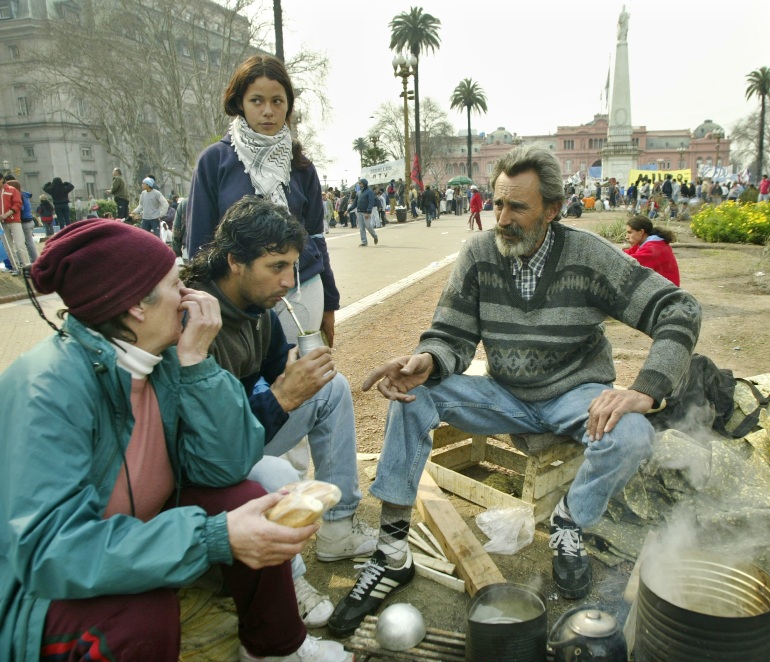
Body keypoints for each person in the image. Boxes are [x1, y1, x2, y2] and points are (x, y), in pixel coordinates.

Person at [328, 144, 701, 637]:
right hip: (503, 395)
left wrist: (647, 390)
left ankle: (570, 523)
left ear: (552, 210)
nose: (501, 219)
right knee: (412, 395)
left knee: (632, 433)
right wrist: (429, 359)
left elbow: (679, 309)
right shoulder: (480, 253)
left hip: (574, 396)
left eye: (517, 207)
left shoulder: (590, 256)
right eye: (497, 203)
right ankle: (393, 551)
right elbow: (452, 333)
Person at [0, 219, 350, 662]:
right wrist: (212, 538)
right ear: (135, 307)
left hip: (142, 526)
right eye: (174, 285)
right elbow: (49, 552)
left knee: (251, 498)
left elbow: (227, 465)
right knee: (145, 617)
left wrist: (197, 363)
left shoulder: (164, 358)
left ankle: (276, 647)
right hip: (41, 588)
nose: (189, 295)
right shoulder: (47, 388)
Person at [183, 196, 376, 629]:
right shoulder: (197, 322)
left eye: (292, 266)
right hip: (203, 462)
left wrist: (296, 376)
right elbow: (210, 445)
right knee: (275, 475)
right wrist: (283, 397)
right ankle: (289, 582)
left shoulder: (259, 310)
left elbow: (274, 374)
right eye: (276, 267)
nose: (289, 281)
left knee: (331, 388)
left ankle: (338, 529)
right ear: (235, 261)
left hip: (240, 435)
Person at [187, 54, 340, 350]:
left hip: (302, 289)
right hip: (239, 302)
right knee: (250, 377)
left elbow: (316, 238)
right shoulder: (214, 161)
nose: (268, 111)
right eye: (257, 100)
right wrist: (204, 305)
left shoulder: (301, 166)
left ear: (288, 106)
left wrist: (330, 303)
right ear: (240, 103)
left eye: (277, 101)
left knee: (303, 372)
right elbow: (199, 245)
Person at [623, 216, 680, 286]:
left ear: (641, 232)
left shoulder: (653, 248)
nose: (626, 237)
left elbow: (628, 263)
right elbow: (626, 253)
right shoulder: (645, 244)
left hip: (666, 291)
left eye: (630, 232)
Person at [0, 172, 31, 271]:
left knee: (20, 244)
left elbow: (17, 204)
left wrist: (6, 214)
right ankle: (15, 267)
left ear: (2, 179)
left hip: (14, 221)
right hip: (2, 224)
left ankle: (26, 265)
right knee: (8, 247)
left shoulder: (12, 190)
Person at [5, 179, 37, 262]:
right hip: (29, 220)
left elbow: (20, 209)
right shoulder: (24, 195)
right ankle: (33, 259)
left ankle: (32, 260)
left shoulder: (19, 196)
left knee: (25, 243)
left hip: (24, 221)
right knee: (28, 242)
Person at [355, 177, 379, 246]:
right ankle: (364, 242)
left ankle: (375, 236)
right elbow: (355, 203)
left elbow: (371, 202)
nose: (359, 184)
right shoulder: (359, 192)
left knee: (368, 226)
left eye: (360, 183)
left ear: (364, 184)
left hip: (366, 212)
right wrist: (348, 210)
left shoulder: (369, 192)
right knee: (361, 228)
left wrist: (368, 212)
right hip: (359, 212)